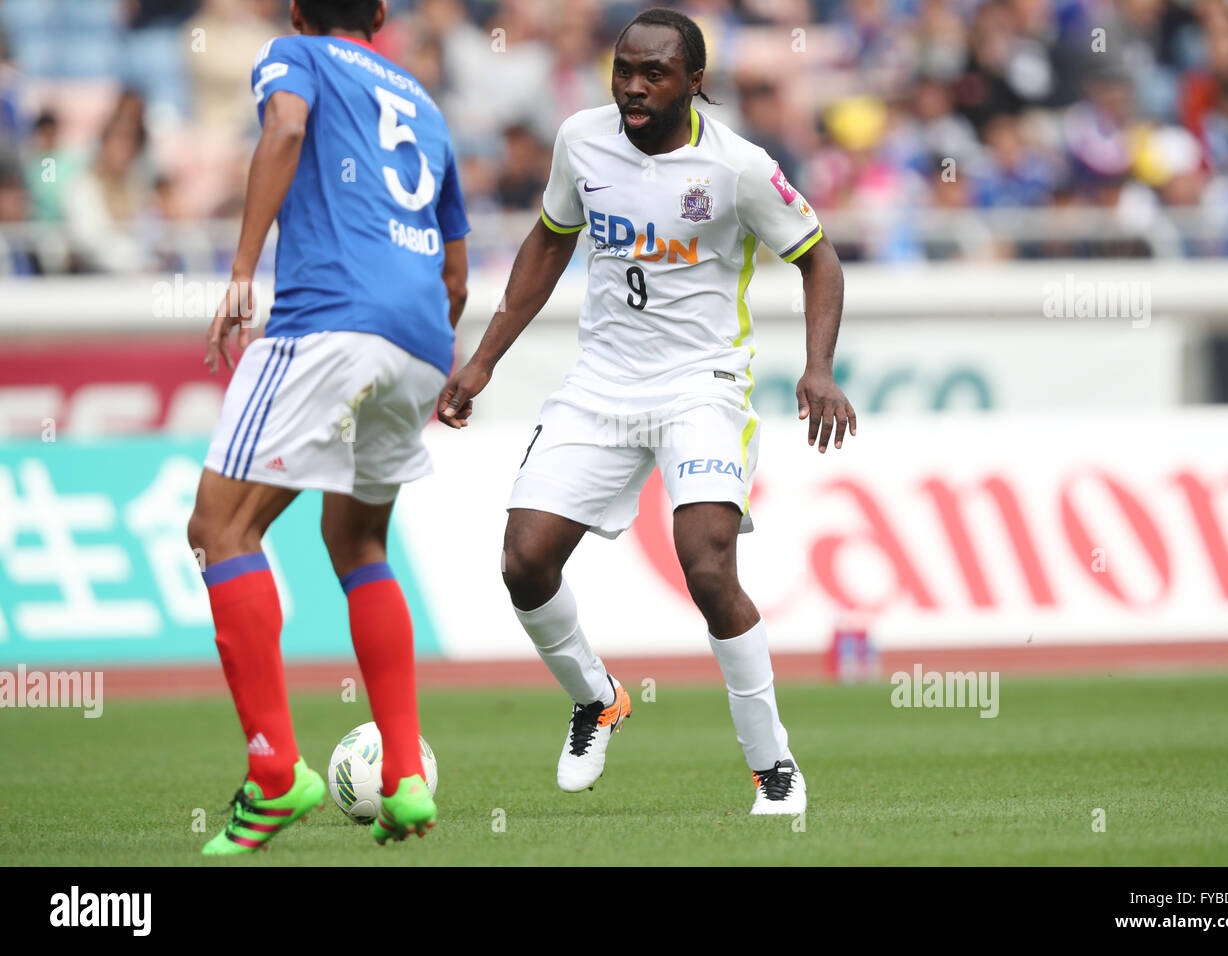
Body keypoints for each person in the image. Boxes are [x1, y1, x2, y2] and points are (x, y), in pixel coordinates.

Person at [438, 7, 855, 815]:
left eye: (653, 73)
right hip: (601, 381)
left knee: (706, 562)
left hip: (701, 384)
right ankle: (596, 699)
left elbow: (819, 257)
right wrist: (483, 359)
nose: (632, 86)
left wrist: (818, 368)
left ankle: (774, 767)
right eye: (623, 69)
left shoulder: (736, 166)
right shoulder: (581, 140)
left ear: (694, 82)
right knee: (523, 561)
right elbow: (550, 241)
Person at [188, 0, 468, 854]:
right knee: (359, 546)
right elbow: (456, 271)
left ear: (293, 11)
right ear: (380, 14)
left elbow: (284, 127)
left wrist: (242, 269)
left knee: (220, 528)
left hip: (329, 318)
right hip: (421, 336)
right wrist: (428, 356)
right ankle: (406, 779)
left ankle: (276, 776)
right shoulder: (423, 103)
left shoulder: (292, 55)